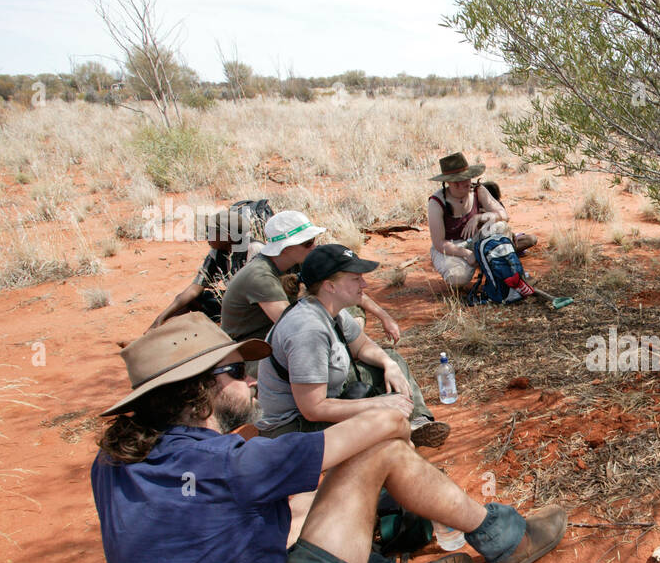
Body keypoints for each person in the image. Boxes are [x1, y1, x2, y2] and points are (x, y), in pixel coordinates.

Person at [0, 313, 566, 563]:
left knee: (293, 505)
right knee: (381, 457)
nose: (250, 381)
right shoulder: (231, 463)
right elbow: (378, 434)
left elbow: (121, 560)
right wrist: (394, 410)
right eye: (235, 373)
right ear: (202, 393)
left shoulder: (112, 463)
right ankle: (503, 538)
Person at [256, 244, 449, 448]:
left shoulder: (330, 311)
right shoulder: (308, 330)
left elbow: (362, 345)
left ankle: (417, 422)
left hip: (323, 401)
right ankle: (397, 443)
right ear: (330, 286)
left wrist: (389, 365)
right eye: (356, 279)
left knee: (389, 357)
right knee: (385, 427)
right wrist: (377, 404)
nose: (364, 285)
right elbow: (312, 409)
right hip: (295, 429)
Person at [220, 210, 402, 349]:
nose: (314, 247)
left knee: (346, 299)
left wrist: (384, 317)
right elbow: (293, 326)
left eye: (313, 240)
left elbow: (347, 288)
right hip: (252, 349)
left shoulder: (298, 260)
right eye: (307, 243)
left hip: (275, 335)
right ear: (285, 248)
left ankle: (349, 346)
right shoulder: (260, 276)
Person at [427, 152, 536, 288]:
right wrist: (467, 254)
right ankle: (493, 259)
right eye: (461, 179)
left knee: (501, 227)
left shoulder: (478, 190)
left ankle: (506, 266)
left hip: (477, 240)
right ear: (450, 183)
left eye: (468, 177)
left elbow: (503, 214)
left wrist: (479, 217)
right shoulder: (437, 202)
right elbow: (439, 243)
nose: (467, 182)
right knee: (457, 279)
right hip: (452, 247)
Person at [146, 206, 261, 330]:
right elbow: (195, 289)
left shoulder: (254, 250)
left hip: (255, 309)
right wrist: (160, 318)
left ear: (227, 236)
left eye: (210, 232)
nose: (206, 236)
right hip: (231, 304)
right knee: (192, 300)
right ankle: (155, 333)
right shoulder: (218, 253)